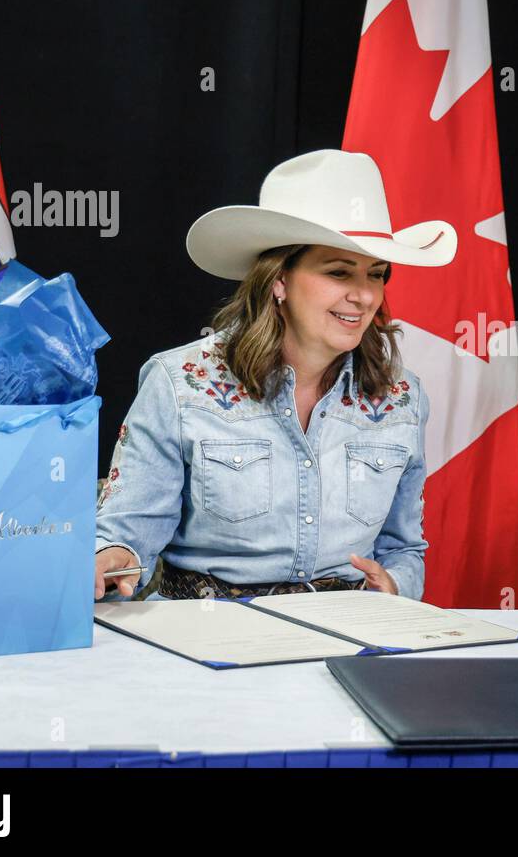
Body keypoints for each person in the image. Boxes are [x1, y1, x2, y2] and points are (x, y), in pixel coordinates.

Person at [93, 149, 456, 602]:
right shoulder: (179, 382)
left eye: (377, 274)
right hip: (203, 638)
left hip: (348, 630)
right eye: (339, 272)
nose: (365, 296)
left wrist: (396, 582)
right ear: (278, 280)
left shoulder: (403, 397)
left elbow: (403, 547)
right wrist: (112, 557)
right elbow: (129, 529)